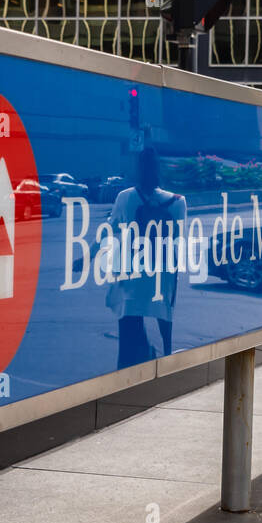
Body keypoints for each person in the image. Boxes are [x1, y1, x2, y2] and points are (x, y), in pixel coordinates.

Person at [100, 147, 188, 368]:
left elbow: (109, 231)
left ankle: (134, 359)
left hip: (131, 270)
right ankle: (166, 355)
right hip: (161, 270)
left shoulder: (125, 197)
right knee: (163, 313)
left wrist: (86, 257)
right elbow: (177, 241)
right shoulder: (178, 201)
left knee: (129, 318)